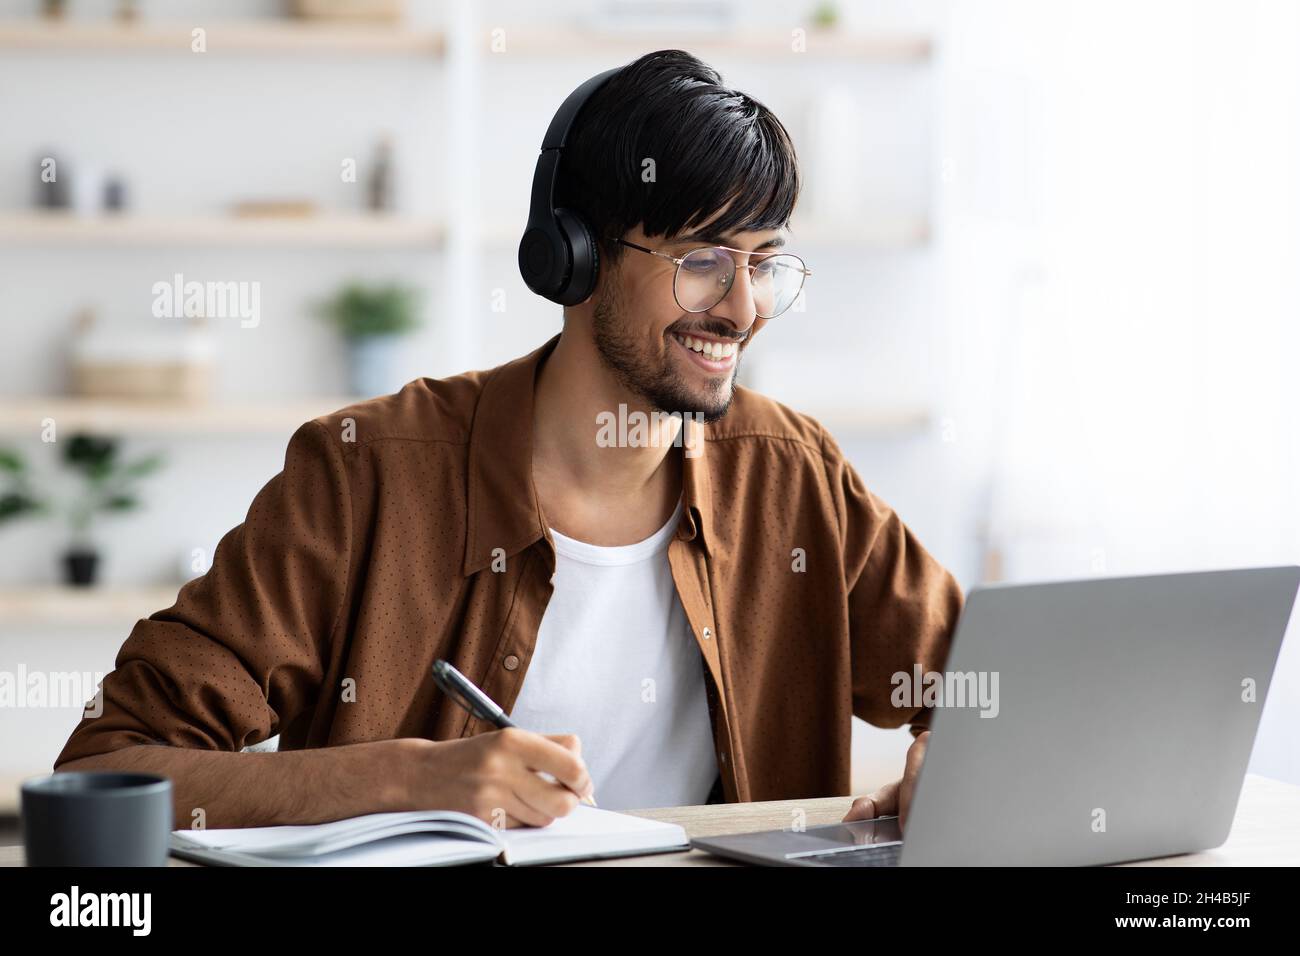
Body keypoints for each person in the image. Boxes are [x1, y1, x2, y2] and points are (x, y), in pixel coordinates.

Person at [55, 50, 962, 831]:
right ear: (569, 255)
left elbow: (984, 681)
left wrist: (952, 760)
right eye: (700, 261)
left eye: (763, 263)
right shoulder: (367, 472)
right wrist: (405, 780)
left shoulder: (791, 473)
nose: (740, 307)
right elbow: (107, 770)